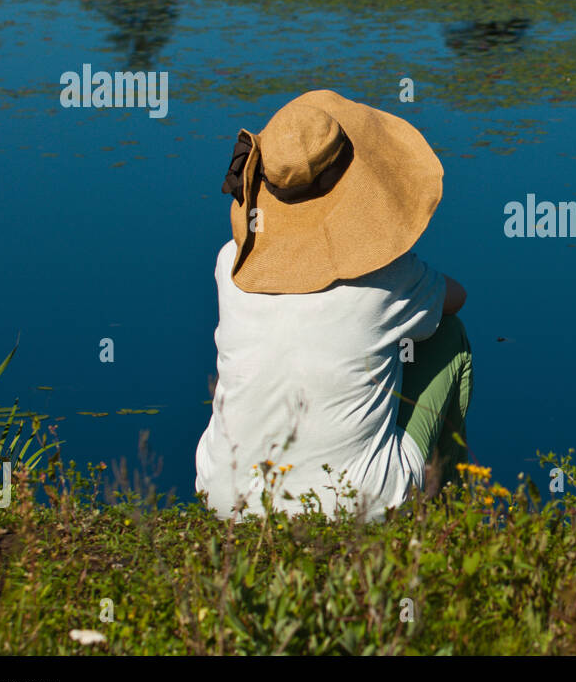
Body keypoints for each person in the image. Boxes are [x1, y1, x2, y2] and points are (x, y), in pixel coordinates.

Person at [195, 90, 471, 522]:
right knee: (448, 337)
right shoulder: (390, 278)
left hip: (225, 496)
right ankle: (452, 509)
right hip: (353, 503)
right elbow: (456, 298)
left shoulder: (232, 263)